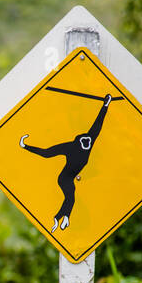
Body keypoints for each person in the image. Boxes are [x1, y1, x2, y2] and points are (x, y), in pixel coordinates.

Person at [19, 93, 113, 232]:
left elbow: (98, 123)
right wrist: (25, 146)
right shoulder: (70, 147)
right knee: (71, 199)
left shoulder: (90, 140)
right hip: (64, 178)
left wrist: (106, 105)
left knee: (70, 199)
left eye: (88, 140)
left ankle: (60, 218)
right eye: (84, 141)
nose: (87, 143)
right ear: (78, 142)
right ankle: (61, 218)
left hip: (71, 177)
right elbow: (46, 153)